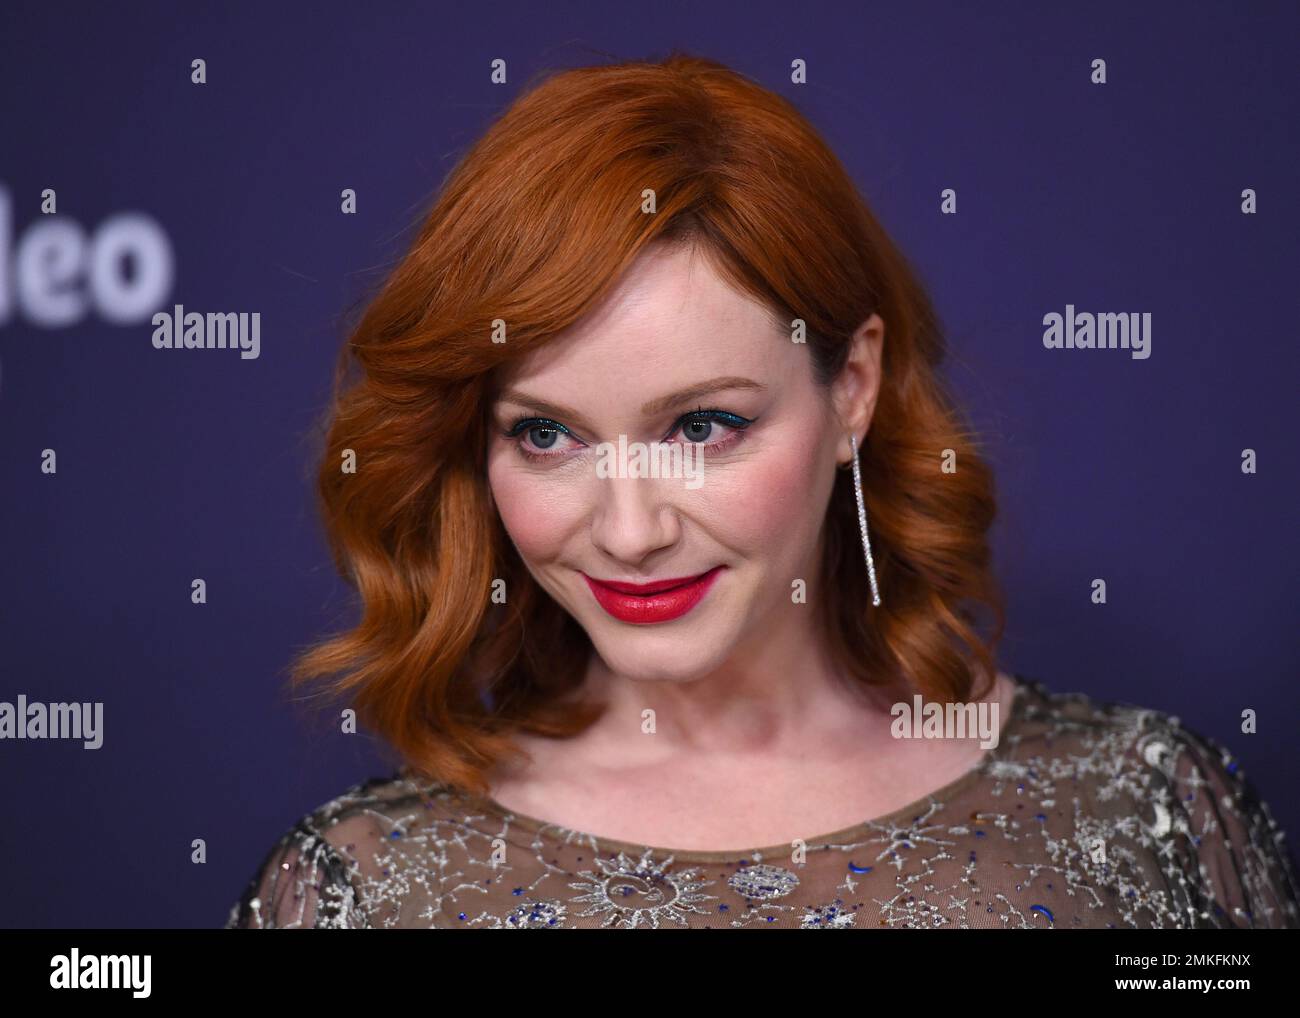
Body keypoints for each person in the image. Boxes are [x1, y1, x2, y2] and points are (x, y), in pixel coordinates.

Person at [224, 54, 1299, 929]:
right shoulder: (357, 889)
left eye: (702, 426)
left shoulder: (1145, 803)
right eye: (546, 435)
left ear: (854, 389)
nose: (631, 531)